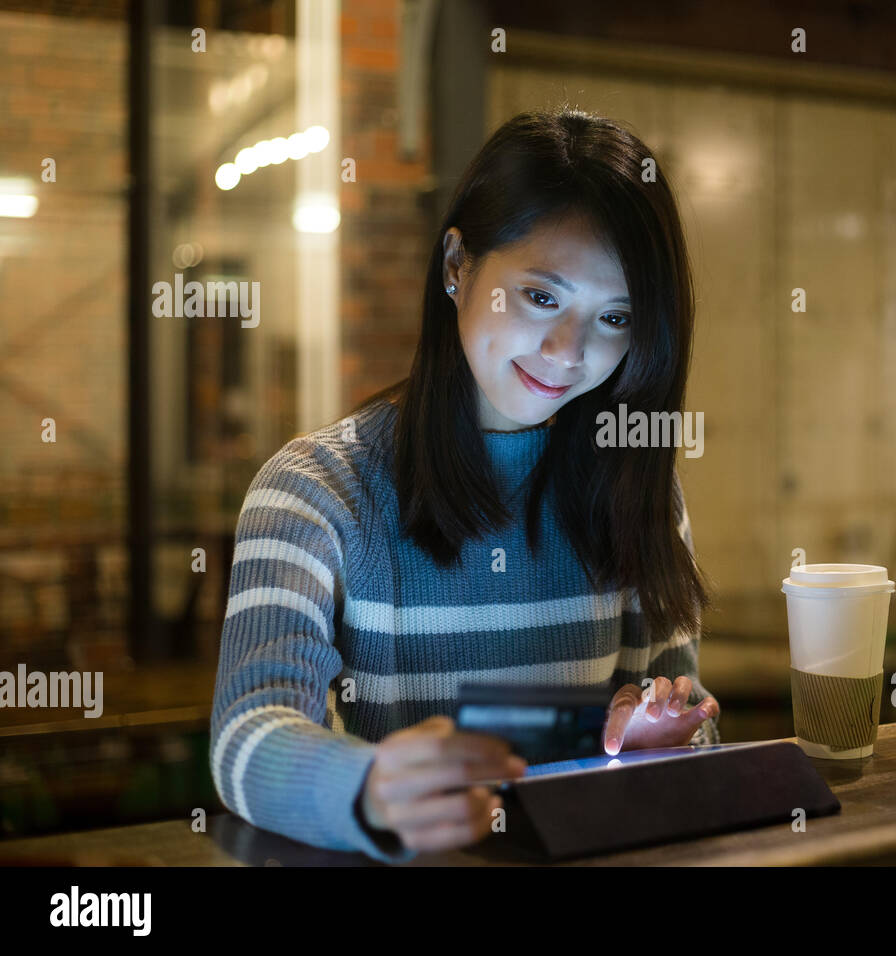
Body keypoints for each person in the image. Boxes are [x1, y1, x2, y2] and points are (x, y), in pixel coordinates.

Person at [208, 107, 720, 863]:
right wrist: (369, 788)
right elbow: (246, 736)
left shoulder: (638, 488)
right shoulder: (316, 490)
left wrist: (663, 734)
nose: (568, 353)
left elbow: (691, 724)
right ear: (457, 266)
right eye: (542, 297)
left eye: (614, 317)